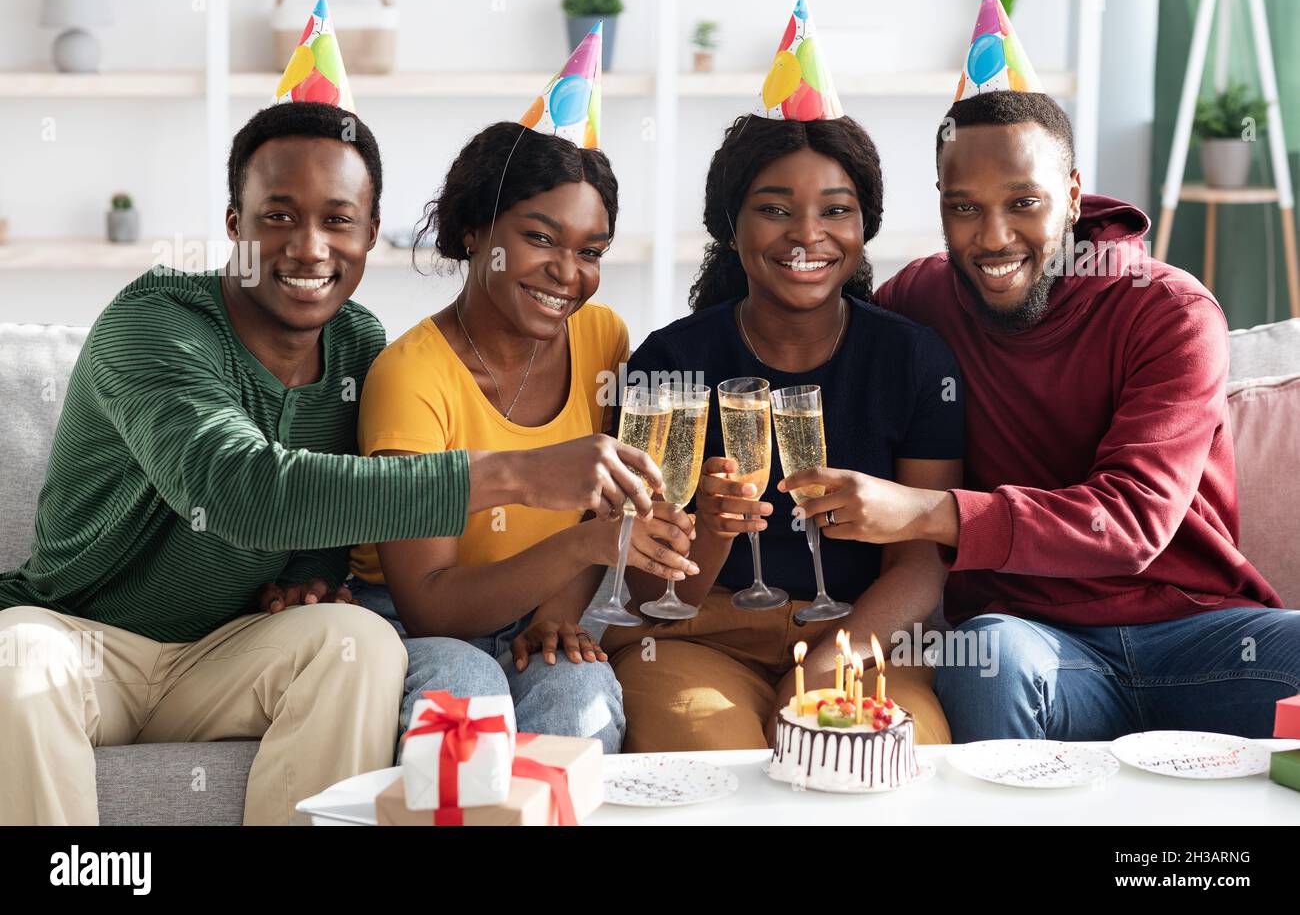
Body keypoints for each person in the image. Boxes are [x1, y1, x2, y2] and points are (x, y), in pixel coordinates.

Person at [0, 102, 663, 825]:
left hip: (230, 653)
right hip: (84, 642)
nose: (310, 247)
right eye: (279, 216)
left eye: (338, 220)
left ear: (371, 234)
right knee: (17, 659)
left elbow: (331, 515)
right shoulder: (154, 324)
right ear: (234, 224)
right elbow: (236, 487)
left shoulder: (354, 346)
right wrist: (513, 473)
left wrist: (307, 579)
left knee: (361, 645)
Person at [793, 86, 1300, 742]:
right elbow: (819, 358)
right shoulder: (923, 299)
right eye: (965, 208)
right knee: (989, 660)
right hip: (1034, 643)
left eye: (1023, 203)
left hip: (1200, 635)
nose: (994, 236)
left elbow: (1132, 518)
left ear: (1073, 191)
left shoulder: (1170, 311)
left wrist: (923, 510)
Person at [604, 109, 965, 753]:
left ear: (862, 226)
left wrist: (828, 664)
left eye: (835, 210)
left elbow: (922, 560)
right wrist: (711, 531)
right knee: (708, 763)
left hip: (868, 633)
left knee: (881, 760)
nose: (807, 235)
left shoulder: (915, 360)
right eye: (774, 209)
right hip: (701, 637)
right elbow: (646, 586)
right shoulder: (668, 362)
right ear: (730, 224)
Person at [346, 119, 697, 752]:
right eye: (541, 238)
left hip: (548, 603)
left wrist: (559, 614)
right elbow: (431, 604)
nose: (568, 273)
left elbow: (604, 506)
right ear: (475, 231)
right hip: (418, 624)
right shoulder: (409, 376)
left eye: (591, 252)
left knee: (577, 701)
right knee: (467, 699)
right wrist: (586, 547)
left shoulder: (602, 338)